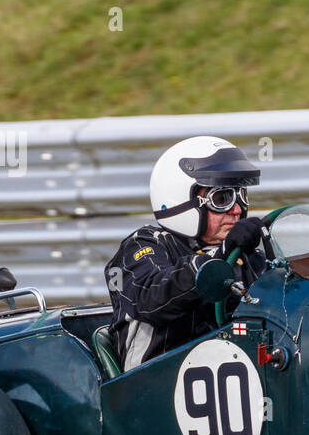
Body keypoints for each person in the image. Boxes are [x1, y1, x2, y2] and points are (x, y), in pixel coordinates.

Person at [104, 136, 267, 370]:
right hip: (152, 385)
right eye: (222, 199)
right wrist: (220, 255)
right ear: (182, 199)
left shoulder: (244, 255)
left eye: (240, 196)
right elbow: (155, 299)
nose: (237, 209)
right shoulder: (144, 245)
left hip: (232, 376)